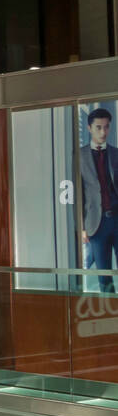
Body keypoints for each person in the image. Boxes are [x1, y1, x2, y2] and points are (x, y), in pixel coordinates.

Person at [80, 107, 118, 294]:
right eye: (98, 127)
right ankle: (111, 316)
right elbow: (78, 194)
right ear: (89, 128)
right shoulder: (79, 156)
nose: (103, 132)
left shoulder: (116, 153)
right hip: (97, 223)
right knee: (104, 274)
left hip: (117, 219)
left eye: (106, 127)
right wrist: (81, 227)